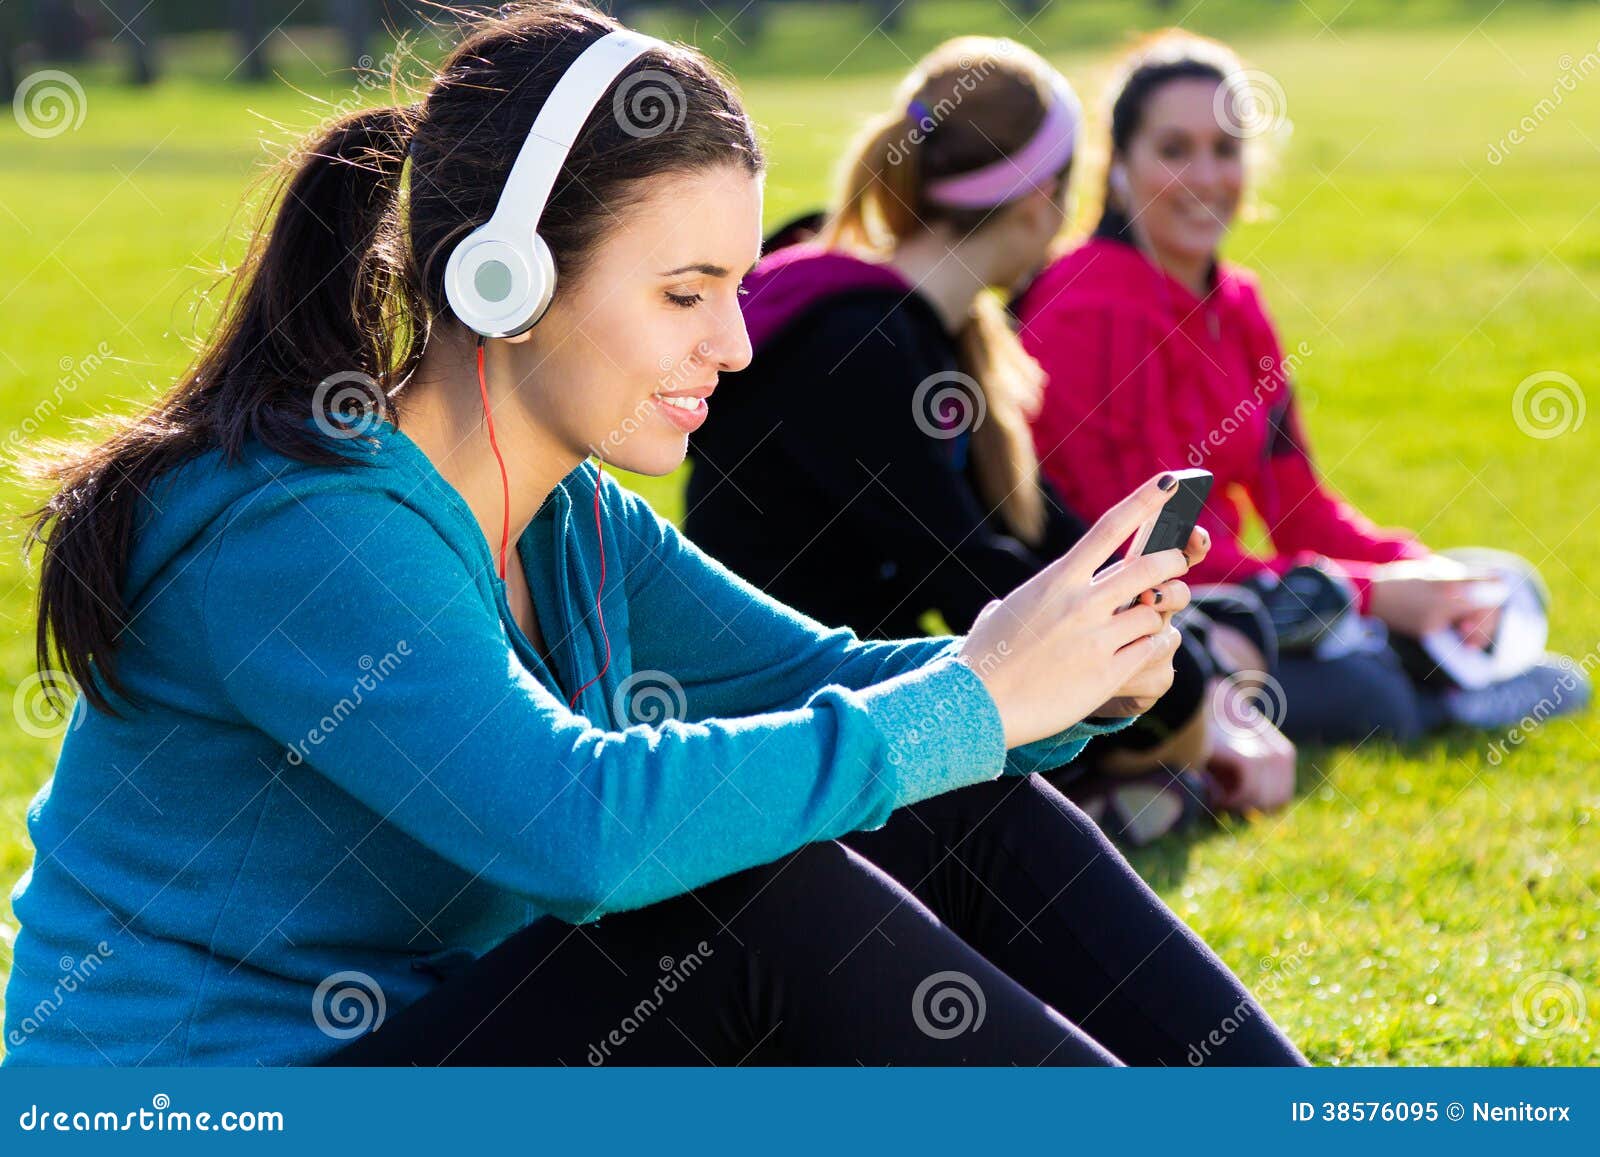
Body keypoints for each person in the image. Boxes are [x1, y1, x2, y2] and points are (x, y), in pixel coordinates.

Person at [3, 2, 1303, 1067]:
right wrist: (977, 696)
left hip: (420, 1065)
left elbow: (829, 686)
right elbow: (581, 825)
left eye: (735, 289)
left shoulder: (564, 516)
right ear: (501, 278)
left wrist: (1056, 683)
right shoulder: (299, 538)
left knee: (958, 801)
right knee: (749, 908)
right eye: (685, 293)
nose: (734, 346)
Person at [684, 37, 1295, 836]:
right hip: (797, 723)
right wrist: (1182, 700)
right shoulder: (860, 346)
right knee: (1116, 715)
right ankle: (1142, 777)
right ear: (1041, 199)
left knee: (1221, 630)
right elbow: (974, 578)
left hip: (862, 690)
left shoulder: (917, 321)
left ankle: (1151, 772)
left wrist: (1180, 639)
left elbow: (1035, 526)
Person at [1013, 29, 1586, 746]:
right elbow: (1139, 552)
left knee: (1500, 578)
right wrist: (1366, 593)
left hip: (1261, 597)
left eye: (1225, 150)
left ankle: (1426, 648)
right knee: (1368, 693)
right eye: (1173, 149)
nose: (1205, 176)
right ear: (1119, 165)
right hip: (1156, 620)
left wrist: (1423, 575)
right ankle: (1429, 687)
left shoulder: (1240, 307)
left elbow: (1302, 509)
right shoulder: (1086, 307)